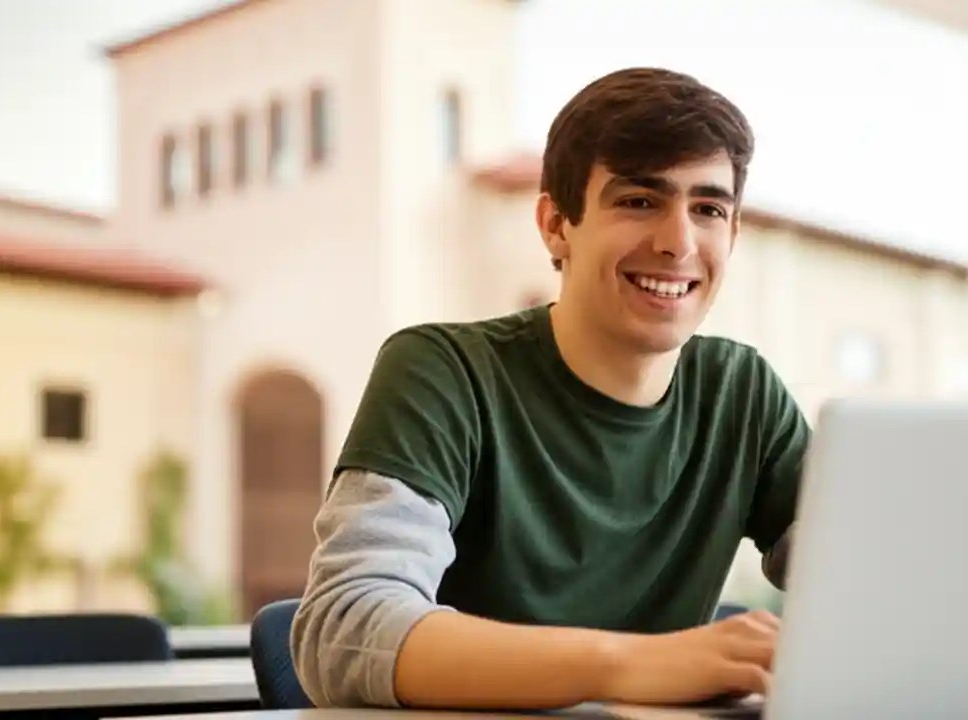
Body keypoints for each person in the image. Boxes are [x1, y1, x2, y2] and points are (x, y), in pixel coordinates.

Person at [291, 66, 810, 710]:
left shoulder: (745, 394)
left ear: (732, 235)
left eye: (708, 209)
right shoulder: (443, 372)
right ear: (555, 225)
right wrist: (629, 664)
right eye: (638, 201)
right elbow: (345, 632)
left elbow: (874, 590)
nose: (678, 242)